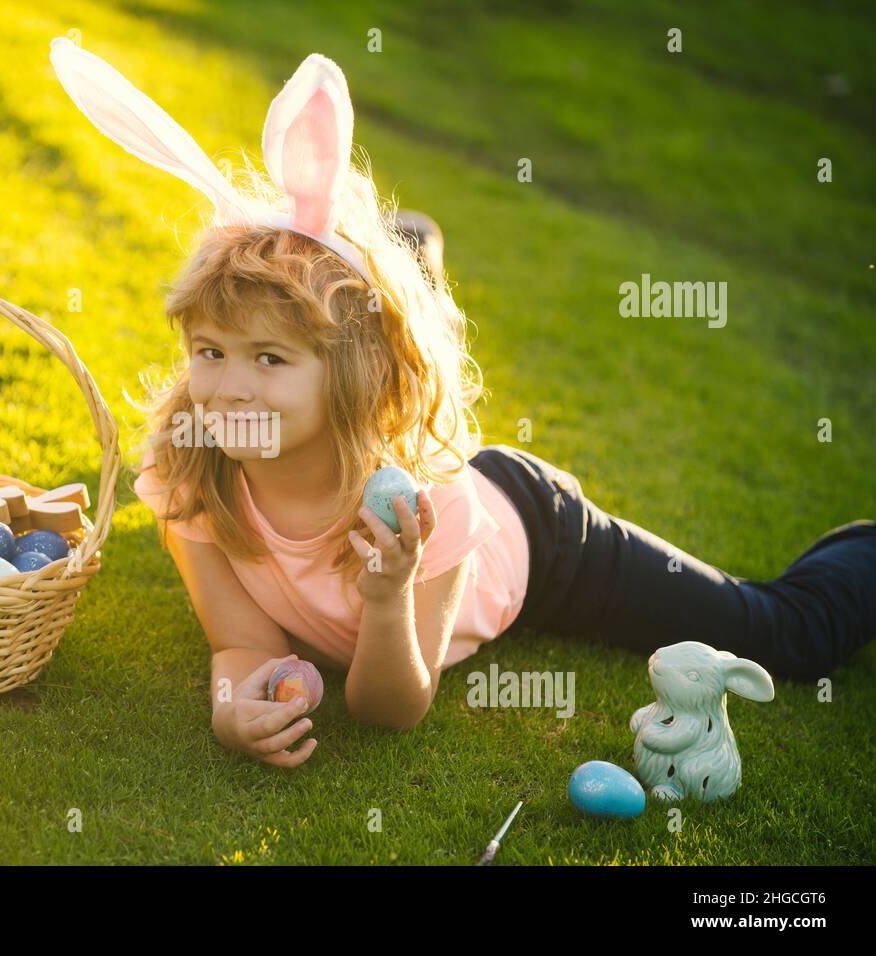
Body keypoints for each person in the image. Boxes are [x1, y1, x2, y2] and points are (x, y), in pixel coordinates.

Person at [49, 38, 876, 769]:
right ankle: (408, 253)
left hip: (540, 542)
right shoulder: (189, 471)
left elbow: (390, 709)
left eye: (269, 357)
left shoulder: (423, 499)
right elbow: (244, 647)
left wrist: (387, 595)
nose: (228, 386)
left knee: (782, 636)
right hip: (388, 425)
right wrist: (237, 712)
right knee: (379, 323)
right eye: (209, 352)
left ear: (343, 376)